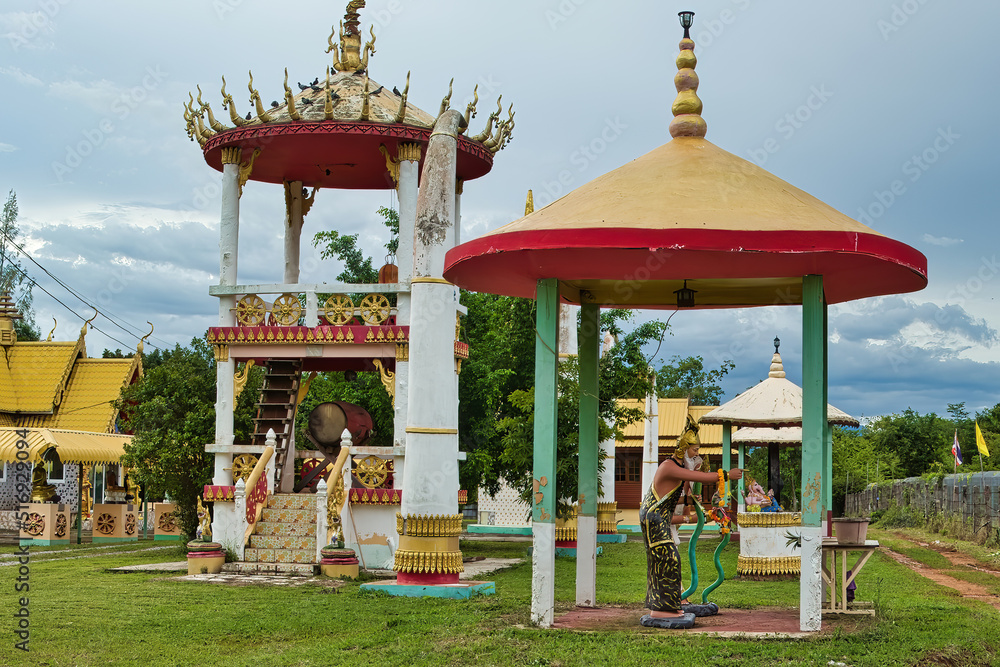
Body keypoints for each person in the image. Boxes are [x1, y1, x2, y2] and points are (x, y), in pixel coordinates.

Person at [640, 416, 741, 629]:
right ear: (684, 449)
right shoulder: (669, 466)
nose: (697, 454)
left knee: (669, 559)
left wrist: (694, 474)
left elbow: (685, 495)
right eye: (694, 450)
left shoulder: (678, 471)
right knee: (668, 558)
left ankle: (672, 605)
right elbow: (703, 479)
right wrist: (726, 476)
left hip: (660, 518)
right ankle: (661, 608)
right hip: (654, 519)